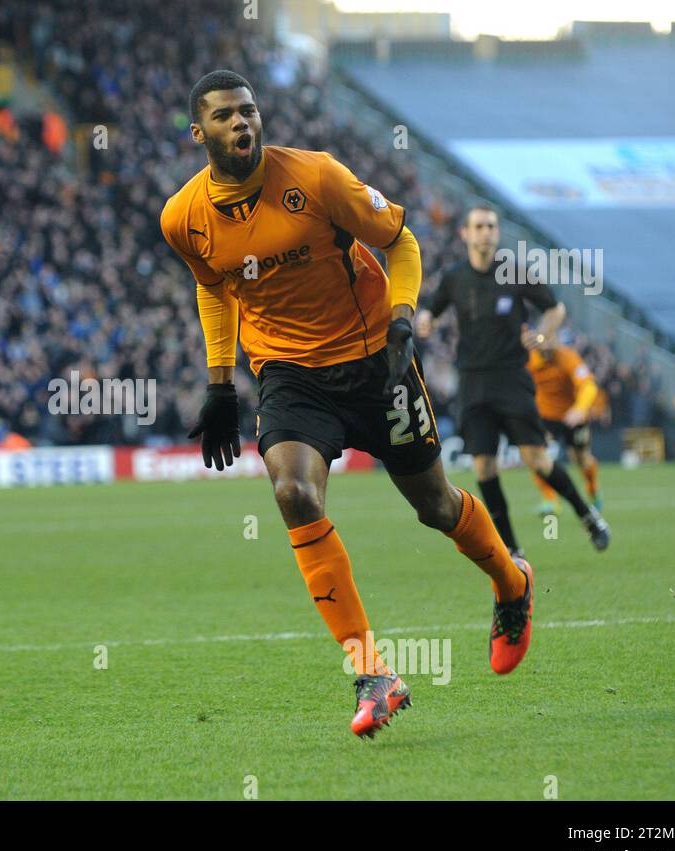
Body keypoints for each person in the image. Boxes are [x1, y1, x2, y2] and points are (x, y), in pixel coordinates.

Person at [161, 70, 535, 739]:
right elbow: (214, 289)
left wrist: (403, 317)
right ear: (200, 132)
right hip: (289, 374)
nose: (242, 123)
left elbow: (402, 241)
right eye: (224, 116)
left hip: (374, 362)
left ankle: (511, 582)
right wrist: (220, 382)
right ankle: (373, 672)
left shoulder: (318, 176)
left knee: (436, 506)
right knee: (293, 494)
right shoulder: (182, 218)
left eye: (248, 111)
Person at [416, 205, 610, 556]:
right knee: (484, 466)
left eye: (490, 225)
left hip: (512, 379)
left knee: (538, 460)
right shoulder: (454, 277)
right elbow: (432, 306)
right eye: (478, 226)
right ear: (465, 234)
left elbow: (555, 309)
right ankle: (511, 549)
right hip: (472, 382)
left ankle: (588, 515)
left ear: (497, 232)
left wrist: (542, 334)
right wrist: (426, 318)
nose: (485, 232)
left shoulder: (515, 274)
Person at [527, 339, 603, 514]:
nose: (545, 347)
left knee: (581, 459)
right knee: (536, 455)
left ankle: (592, 488)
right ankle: (549, 500)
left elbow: (589, 386)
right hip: (546, 416)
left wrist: (580, 409)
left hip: (573, 416)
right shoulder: (530, 359)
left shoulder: (568, 357)